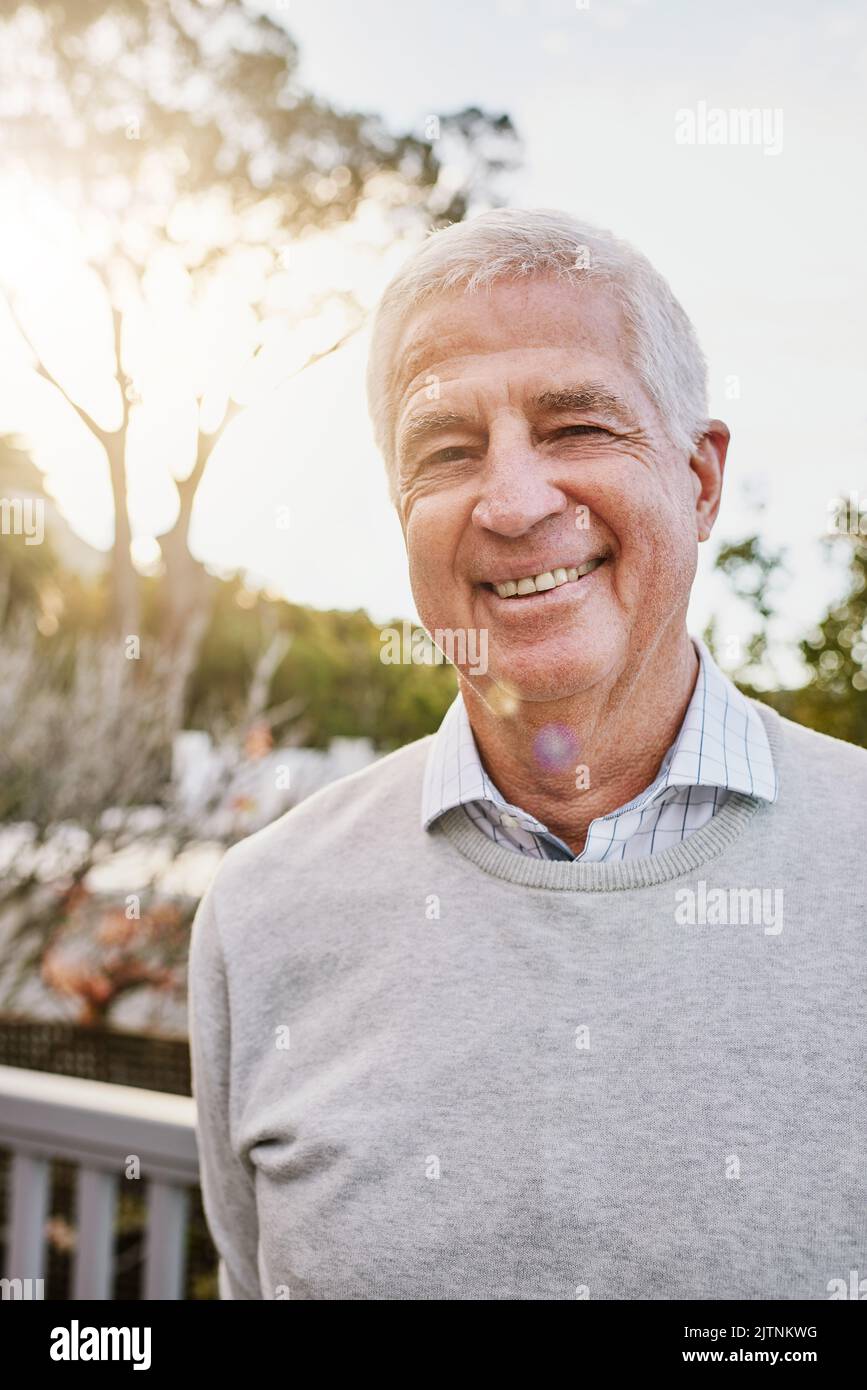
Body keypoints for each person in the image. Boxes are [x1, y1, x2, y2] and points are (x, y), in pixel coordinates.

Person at [189, 208, 866, 1300]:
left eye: (577, 427)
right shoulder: (263, 912)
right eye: (448, 451)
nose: (510, 501)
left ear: (699, 481)